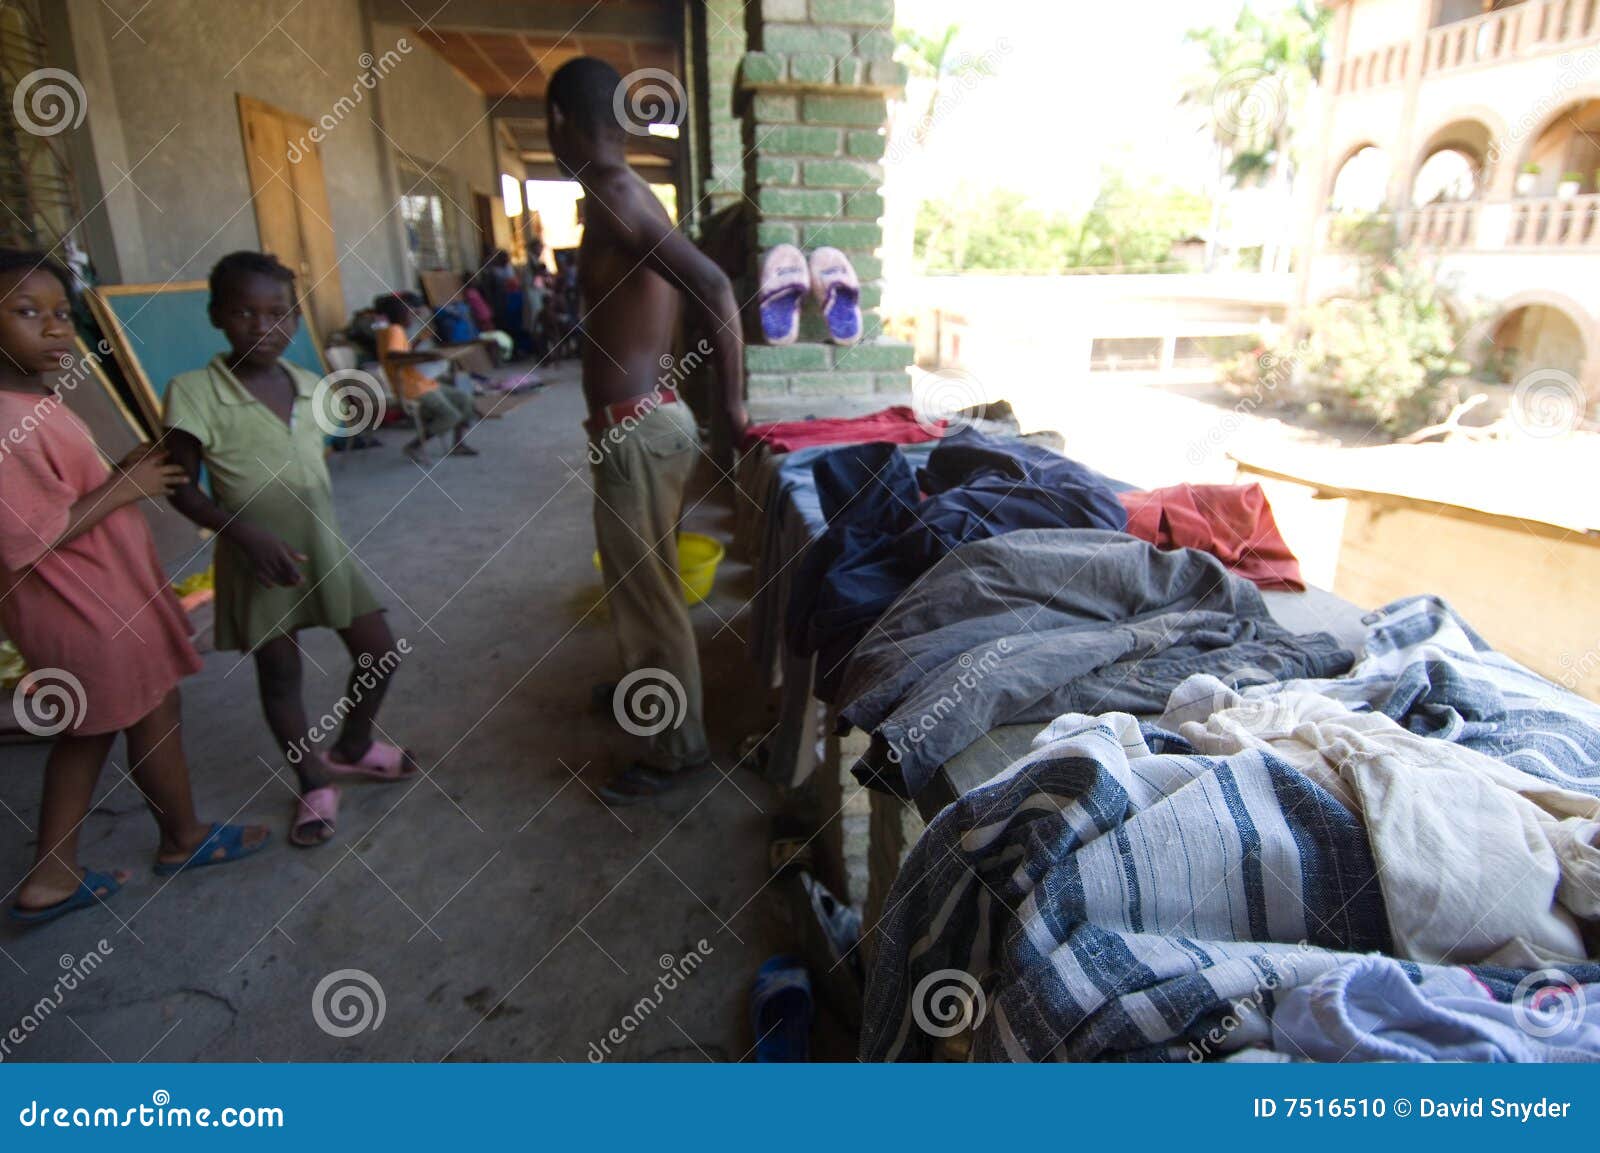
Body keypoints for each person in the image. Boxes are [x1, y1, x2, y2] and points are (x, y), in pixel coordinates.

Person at [0, 250, 270, 922]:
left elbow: (55, 495)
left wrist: (112, 473)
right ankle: (62, 871)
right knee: (95, 728)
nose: (56, 328)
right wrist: (126, 487)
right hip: (79, 605)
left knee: (134, 713)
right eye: (28, 312)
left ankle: (163, 840)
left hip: (106, 597)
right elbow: (24, 536)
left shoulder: (31, 399)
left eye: (62, 313)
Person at [546, 56, 748, 805]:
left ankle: (675, 748)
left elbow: (715, 285)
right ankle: (646, 686)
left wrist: (732, 406)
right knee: (646, 580)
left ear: (559, 120)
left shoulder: (615, 195)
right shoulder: (630, 195)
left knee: (646, 593)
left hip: (636, 431)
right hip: (646, 424)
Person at [164, 251, 417, 849]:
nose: (263, 327)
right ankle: (311, 778)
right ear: (216, 317)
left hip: (322, 550)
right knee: (280, 672)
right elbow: (177, 486)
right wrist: (243, 534)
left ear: (295, 321)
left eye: (278, 314)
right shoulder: (194, 392)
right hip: (255, 557)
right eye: (245, 313)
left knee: (378, 651)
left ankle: (353, 746)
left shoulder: (309, 386)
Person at [374, 293, 481, 464]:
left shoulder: (392, 331)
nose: (412, 316)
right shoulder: (395, 330)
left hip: (421, 383)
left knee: (464, 399)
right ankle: (414, 446)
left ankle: (458, 444)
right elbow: (393, 356)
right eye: (409, 313)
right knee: (450, 416)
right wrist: (426, 356)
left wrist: (418, 343)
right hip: (411, 389)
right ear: (399, 314)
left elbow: (402, 352)